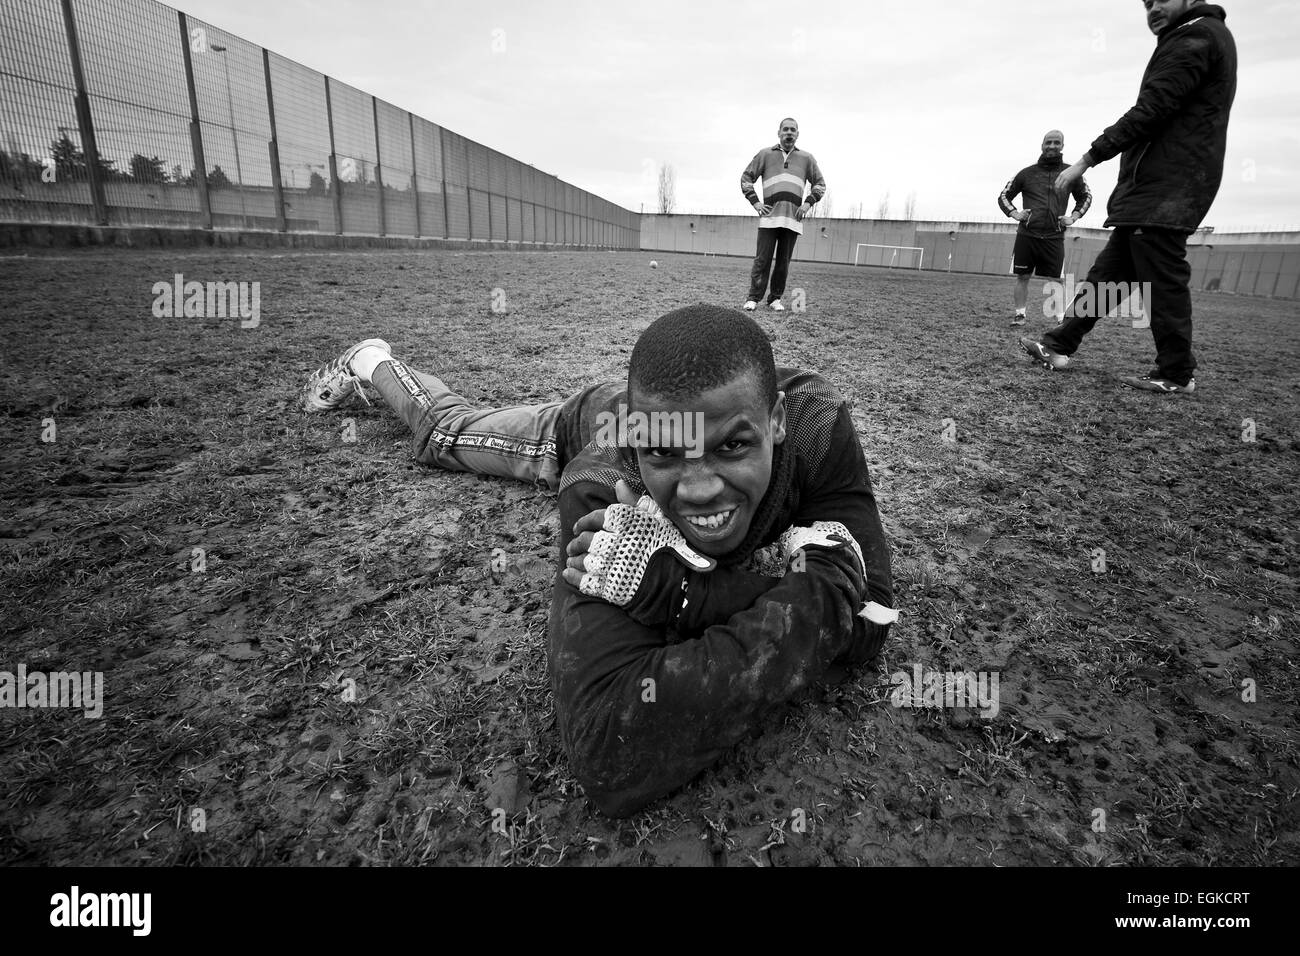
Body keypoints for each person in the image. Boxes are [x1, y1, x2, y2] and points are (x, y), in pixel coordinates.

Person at [300, 306, 896, 818]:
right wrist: (818, 596)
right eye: (664, 453)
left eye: (733, 446)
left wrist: (678, 589)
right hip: (578, 425)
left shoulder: (816, 424)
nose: (699, 489)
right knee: (444, 433)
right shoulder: (606, 481)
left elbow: (871, 617)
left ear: (777, 422)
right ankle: (372, 361)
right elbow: (609, 750)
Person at [1020, 0, 1236, 393]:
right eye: (1147, 2)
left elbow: (1152, 109)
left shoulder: (1197, 37)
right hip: (1154, 190)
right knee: (1109, 276)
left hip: (1170, 185)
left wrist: (1087, 159)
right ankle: (1059, 345)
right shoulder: (1192, 37)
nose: (1153, 8)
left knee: (1162, 278)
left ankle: (1177, 372)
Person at [998, 130, 1093, 326]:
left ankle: (1060, 320)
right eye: (1048, 142)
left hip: (1054, 236)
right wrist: (1015, 214)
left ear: (1062, 146)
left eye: (1056, 142)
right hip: (1027, 234)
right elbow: (1004, 196)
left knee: (1056, 280)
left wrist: (1073, 217)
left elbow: (1086, 196)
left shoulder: (1071, 173)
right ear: (1042, 145)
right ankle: (1020, 315)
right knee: (1023, 276)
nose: (1052, 146)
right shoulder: (1026, 173)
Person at [740, 118, 826, 312]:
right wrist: (756, 202)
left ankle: (775, 299)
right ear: (778, 133)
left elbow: (820, 184)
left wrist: (807, 203)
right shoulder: (765, 154)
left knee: (783, 263)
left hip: (792, 220)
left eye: (793, 130)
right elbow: (746, 178)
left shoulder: (807, 158)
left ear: (797, 134)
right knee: (762, 260)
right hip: (769, 218)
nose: (789, 133)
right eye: (785, 129)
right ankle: (753, 298)